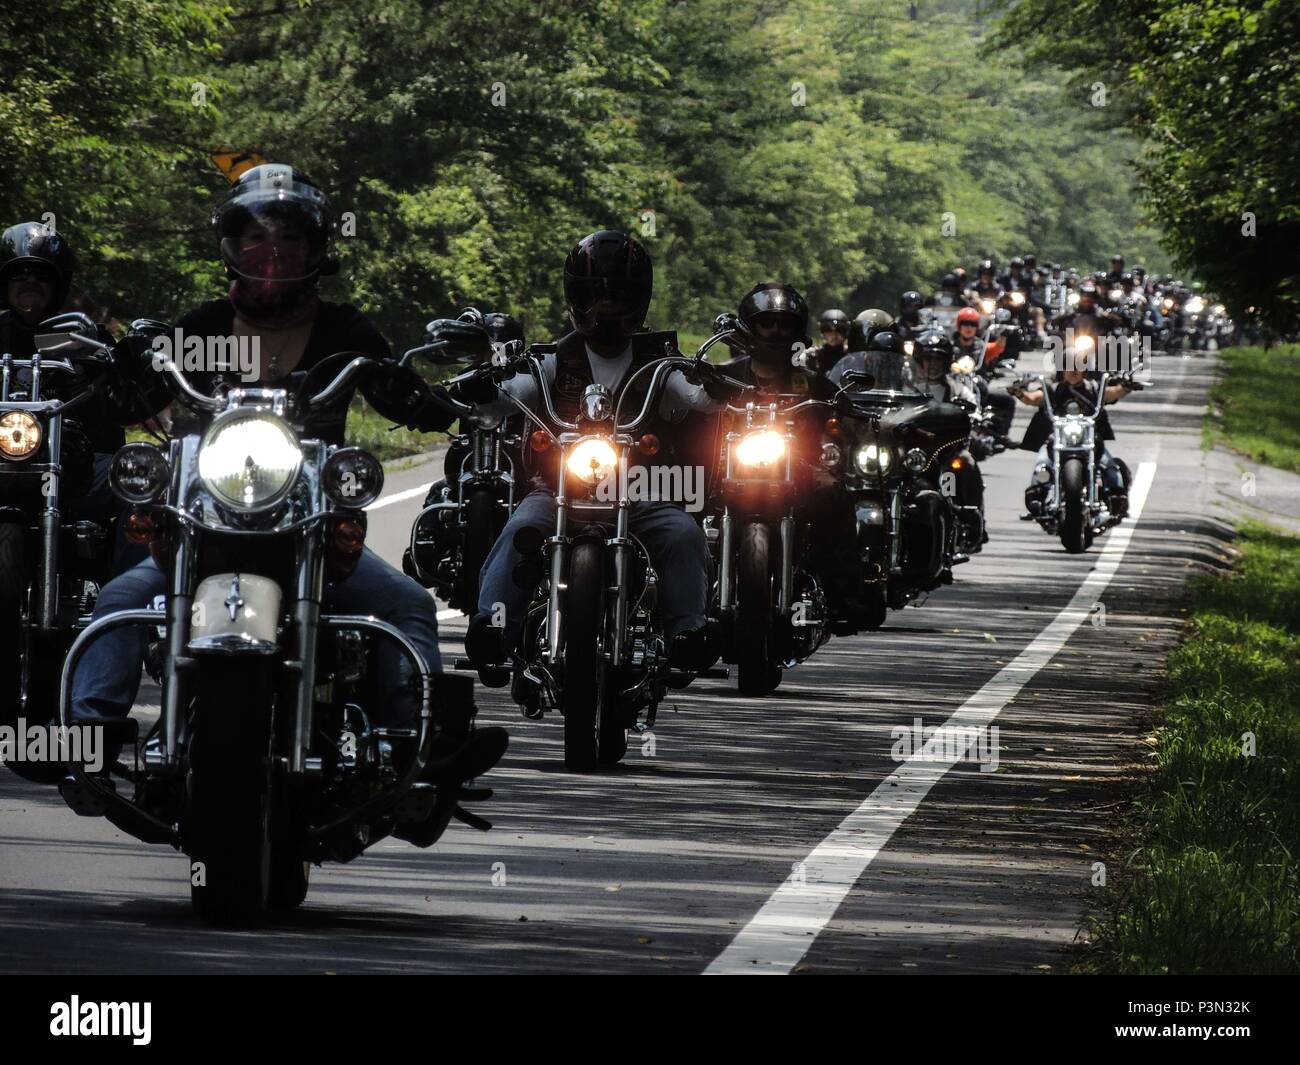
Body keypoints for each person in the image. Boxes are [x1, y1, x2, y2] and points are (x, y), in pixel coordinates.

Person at [70, 166, 497, 790]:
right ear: (233, 249)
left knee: (406, 607)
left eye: (288, 241)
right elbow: (130, 399)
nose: (271, 255)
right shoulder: (201, 328)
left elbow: (400, 396)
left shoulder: (344, 331)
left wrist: (447, 398)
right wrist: (121, 374)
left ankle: (417, 754)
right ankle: (87, 744)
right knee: (120, 600)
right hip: (204, 523)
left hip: (317, 530)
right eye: (256, 240)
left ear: (315, 251)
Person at [455, 230, 726, 680]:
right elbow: (512, 394)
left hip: (638, 492)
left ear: (638, 299)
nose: (604, 306)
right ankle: (494, 626)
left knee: (682, 532)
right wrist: (486, 389)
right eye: (594, 295)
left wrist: (715, 387)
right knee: (520, 527)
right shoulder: (552, 359)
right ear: (575, 297)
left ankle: (687, 633)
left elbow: (695, 395)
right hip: (559, 491)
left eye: (616, 295)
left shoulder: (659, 360)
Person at [0, 221, 147, 573]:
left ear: (58, 283)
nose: (29, 284)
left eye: (41, 276)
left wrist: (119, 362)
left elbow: (125, 386)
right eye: (19, 275)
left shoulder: (88, 335)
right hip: (5, 463)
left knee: (141, 481)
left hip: (78, 466)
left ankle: (126, 601)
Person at [720, 282, 865, 627]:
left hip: (795, 470)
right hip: (728, 469)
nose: (775, 331)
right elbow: (689, 402)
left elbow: (846, 411)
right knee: (683, 511)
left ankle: (844, 593)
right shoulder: (725, 377)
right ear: (749, 326)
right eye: (767, 322)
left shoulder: (811, 382)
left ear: (796, 329)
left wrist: (857, 414)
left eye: (784, 324)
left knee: (832, 491)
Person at [1010, 349, 1135, 518]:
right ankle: (1036, 497)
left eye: (1078, 365)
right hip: (1059, 440)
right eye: (1068, 366)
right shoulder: (1052, 389)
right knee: (1042, 463)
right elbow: (1033, 398)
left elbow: (1113, 393)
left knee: (1109, 464)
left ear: (1085, 368)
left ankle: (1117, 497)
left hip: (1089, 439)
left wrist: (1126, 386)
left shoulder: (1094, 388)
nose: (1073, 370)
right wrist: (1019, 393)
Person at [808, 308, 852, 373]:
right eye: (828, 330)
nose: (834, 336)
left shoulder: (852, 357)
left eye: (839, 330)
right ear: (822, 331)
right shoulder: (812, 356)